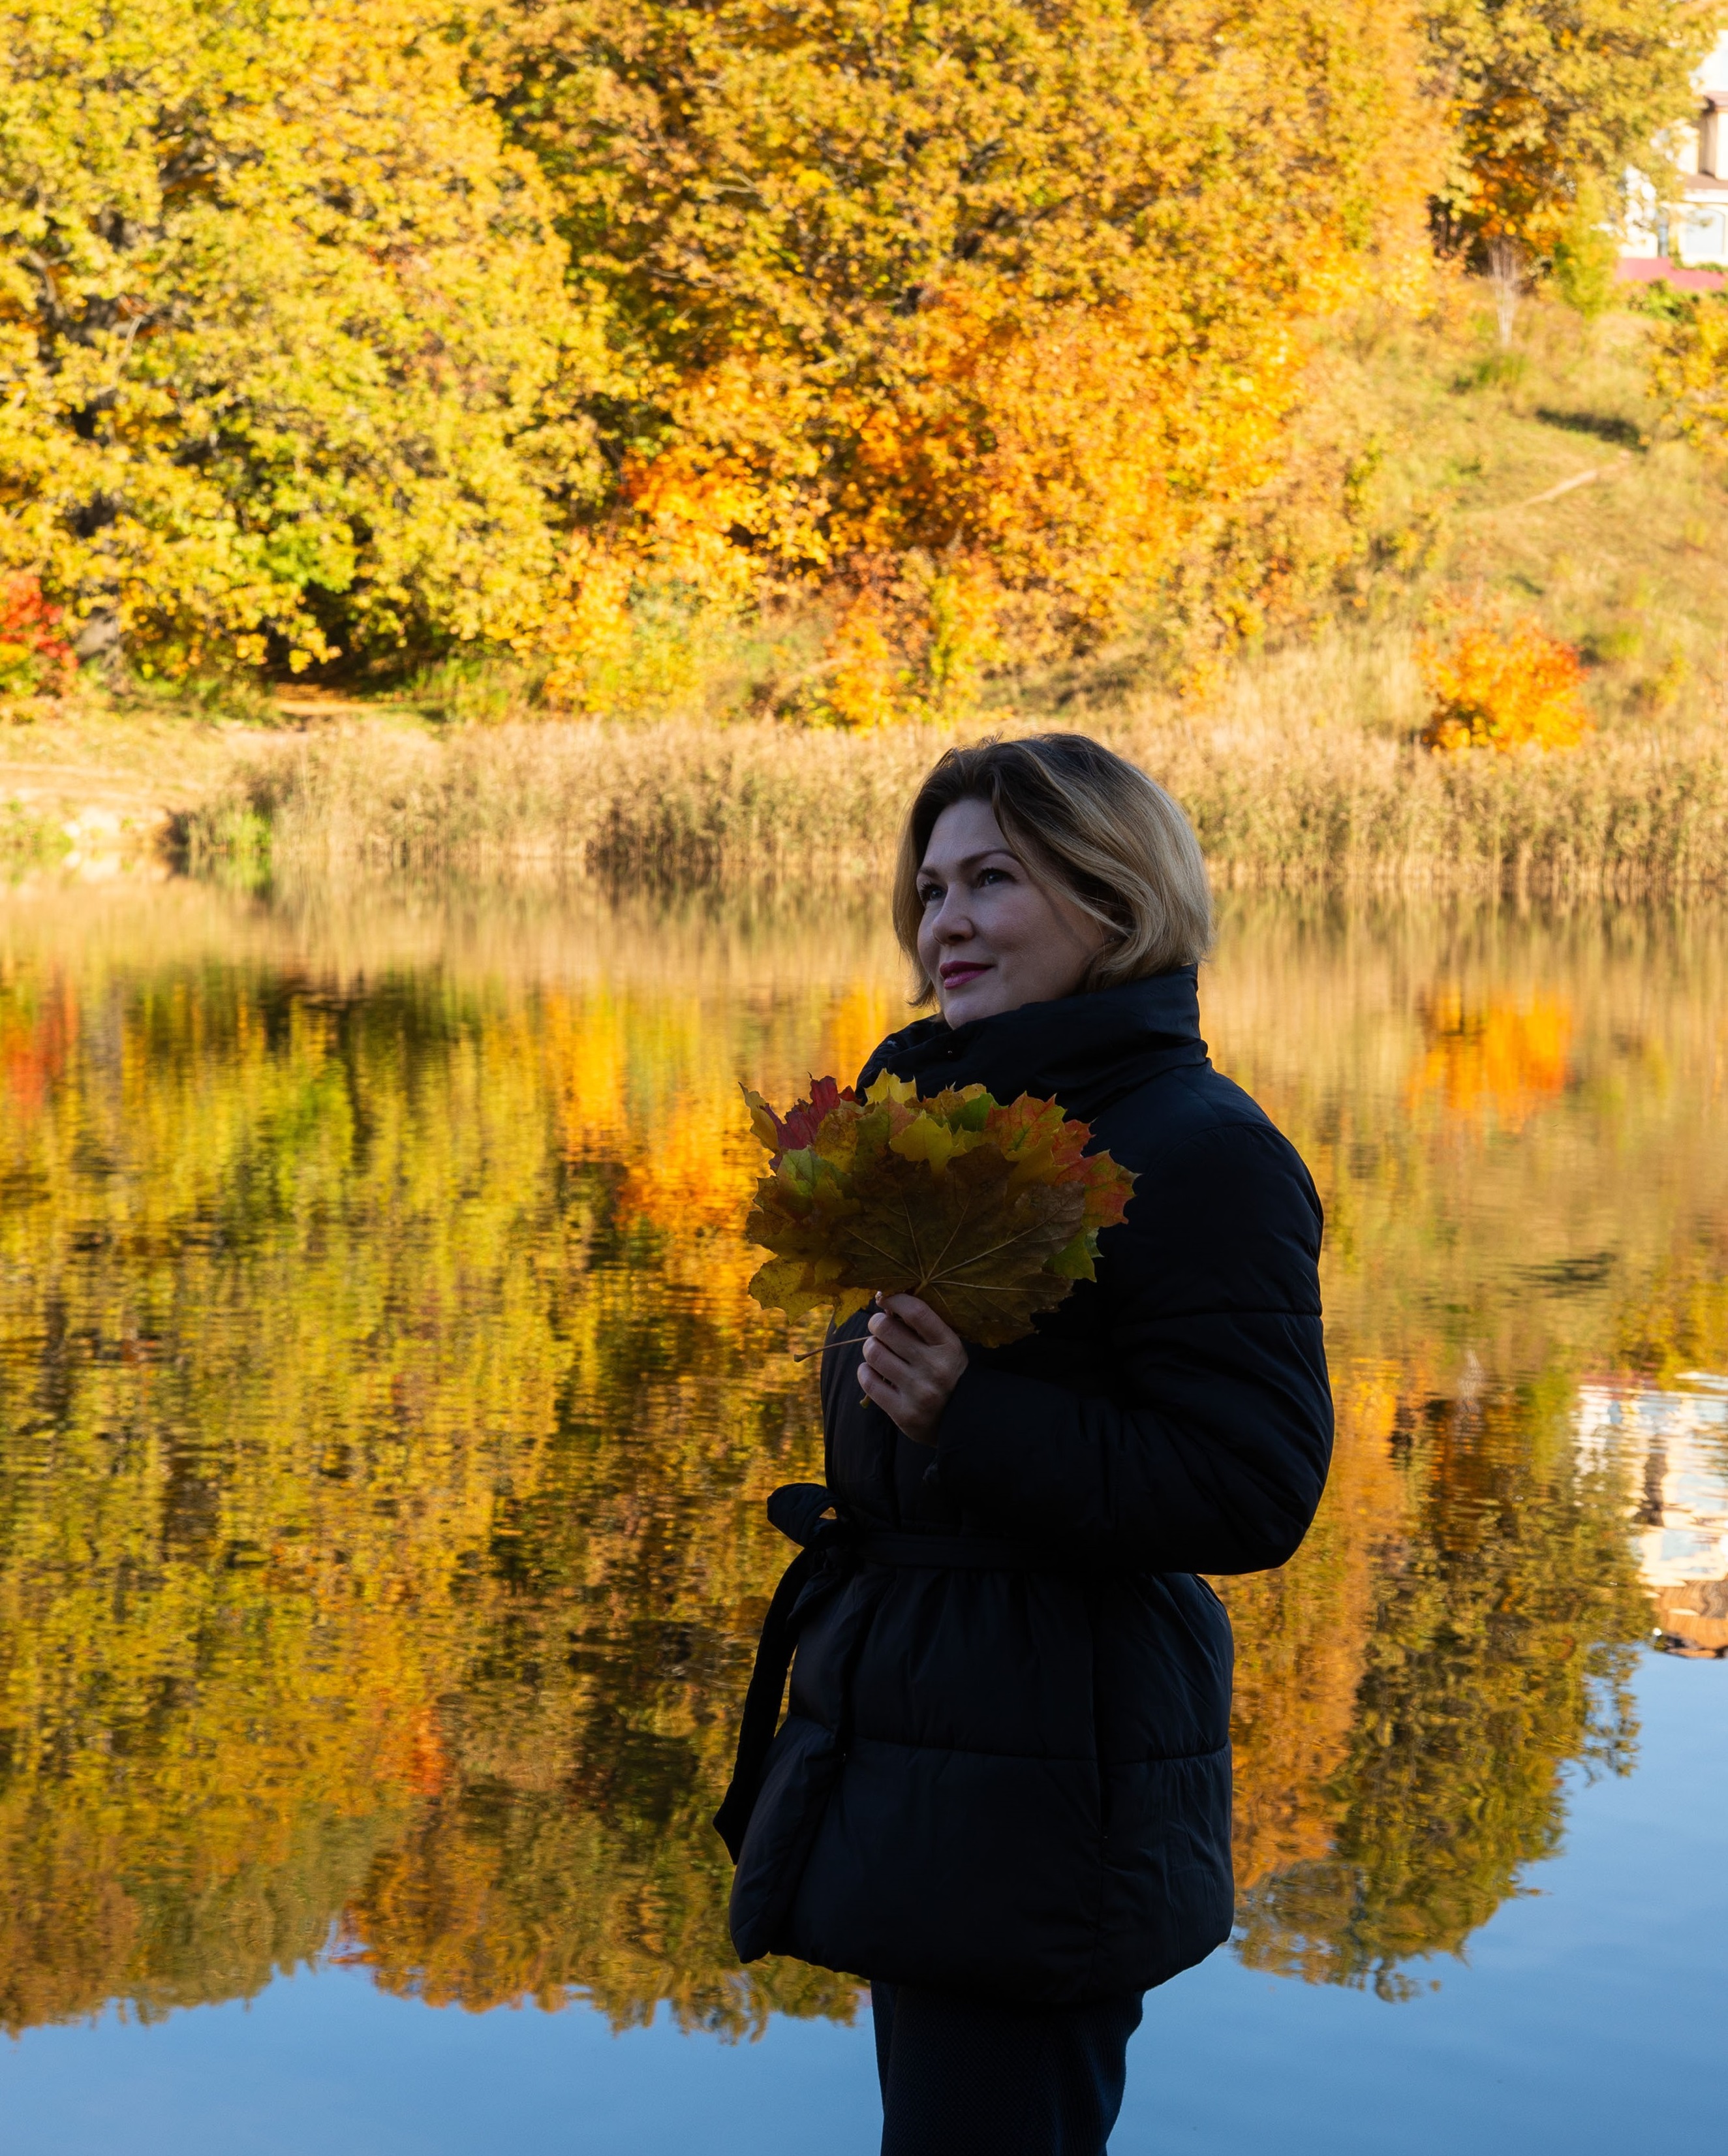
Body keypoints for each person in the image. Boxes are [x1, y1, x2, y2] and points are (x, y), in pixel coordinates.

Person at [715, 733, 1333, 2155]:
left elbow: (1253, 1488)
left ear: (1114, 900)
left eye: (992, 879)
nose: (945, 920)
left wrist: (971, 1414)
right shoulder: (934, 1127)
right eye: (930, 886)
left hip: (1052, 1771)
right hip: (925, 1733)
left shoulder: (1200, 1148)